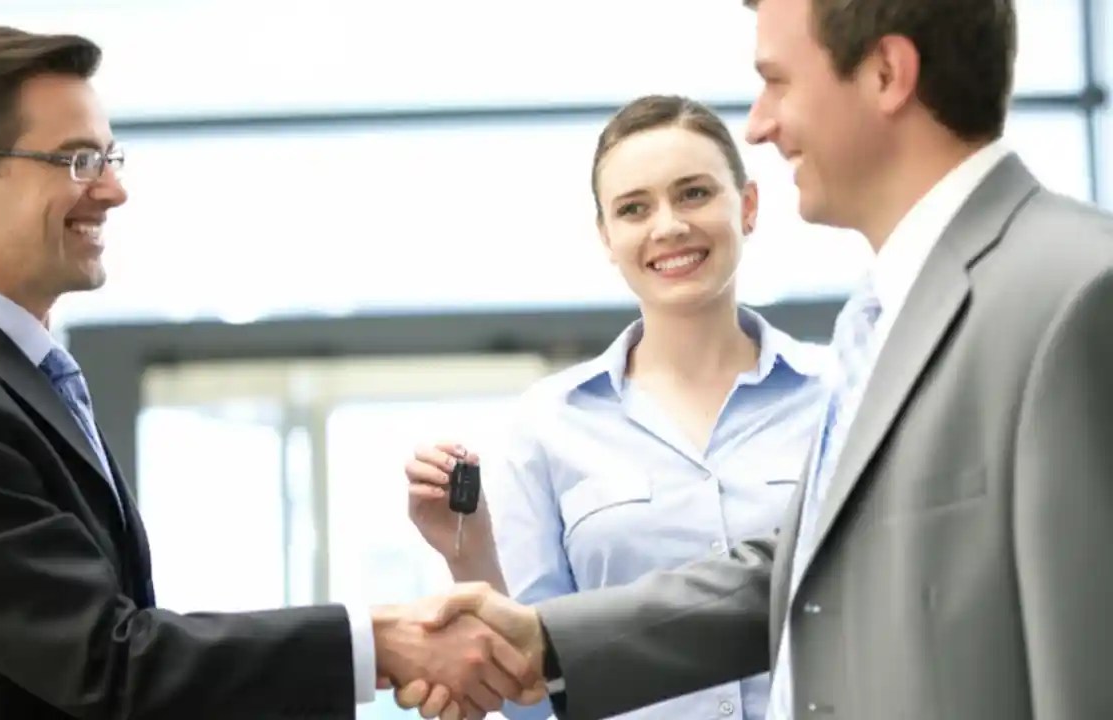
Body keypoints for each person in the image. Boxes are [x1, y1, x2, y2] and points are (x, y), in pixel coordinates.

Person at [399, 0, 1113, 718]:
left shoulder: (1080, 290)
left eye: (778, 81)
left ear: (887, 74)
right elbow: (801, 573)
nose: (761, 123)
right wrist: (541, 639)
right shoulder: (882, 322)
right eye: (633, 208)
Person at [0, 26, 541, 720]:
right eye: (78, 161)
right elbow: (103, 662)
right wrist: (382, 642)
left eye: (111, 158)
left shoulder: (11, 375)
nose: (113, 191)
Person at [404, 94, 828, 720]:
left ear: (749, 206)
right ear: (607, 236)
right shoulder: (548, 424)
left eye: (694, 194)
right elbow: (532, 697)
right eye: (634, 208)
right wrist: (468, 555)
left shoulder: (844, 392)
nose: (668, 227)